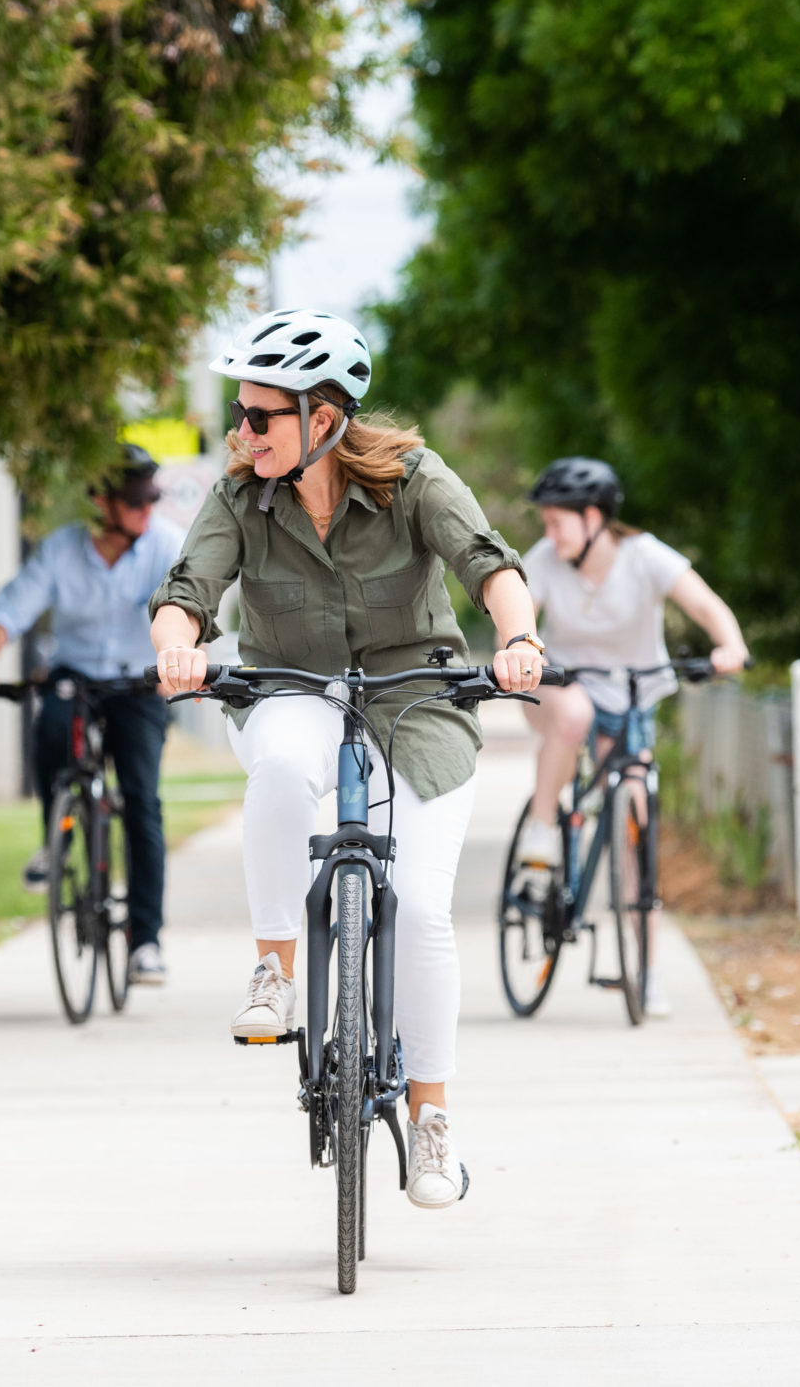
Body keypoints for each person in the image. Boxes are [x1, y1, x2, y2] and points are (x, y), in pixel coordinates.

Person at [150, 309, 544, 1210]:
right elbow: (187, 591)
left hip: (421, 700)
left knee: (426, 914)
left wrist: (518, 637)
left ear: (322, 419)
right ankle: (276, 968)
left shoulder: (413, 479)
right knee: (282, 769)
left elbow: (488, 563)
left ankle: (433, 1121)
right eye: (238, 414)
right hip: (293, 686)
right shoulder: (238, 495)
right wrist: (178, 646)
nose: (240, 433)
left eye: (260, 417)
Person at [521, 456, 749, 1017]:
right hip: (562, 690)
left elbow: (704, 604)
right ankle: (541, 832)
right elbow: (519, 612)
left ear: (594, 516)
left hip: (630, 699)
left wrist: (730, 646)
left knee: (637, 827)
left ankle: (646, 974)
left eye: (558, 522)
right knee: (573, 715)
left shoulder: (644, 556)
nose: (549, 534)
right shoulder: (546, 561)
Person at [0, 443, 182, 983]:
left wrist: (184, 669)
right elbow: (10, 609)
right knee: (52, 730)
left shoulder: (166, 546)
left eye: (150, 500)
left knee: (141, 801)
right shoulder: (62, 550)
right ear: (100, 502)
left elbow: (190, 606)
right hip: (76, 677)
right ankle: (55, 837)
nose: (145, 512)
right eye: (134, 501)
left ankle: (146, 941)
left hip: (140, 682)